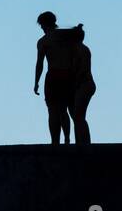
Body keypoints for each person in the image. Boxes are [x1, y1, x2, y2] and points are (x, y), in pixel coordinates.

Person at [33, 11, 85, 145]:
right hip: (67, 75)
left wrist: (36, 82)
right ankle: (65, 139)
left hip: (56, 76)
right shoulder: (66, 36)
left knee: (55, 111)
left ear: (44, 25)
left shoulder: (44, 41)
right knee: (65, 111)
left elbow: (40, 63)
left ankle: (57, 141)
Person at [71, 31, 96, 144]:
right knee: (78, 116)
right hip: (84, 84)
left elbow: (83, 69)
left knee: (78, 116)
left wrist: (76, 81)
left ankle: (84, 143)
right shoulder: (81, 49)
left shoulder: (81, 50)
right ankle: (81, 142)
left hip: (84, 84)